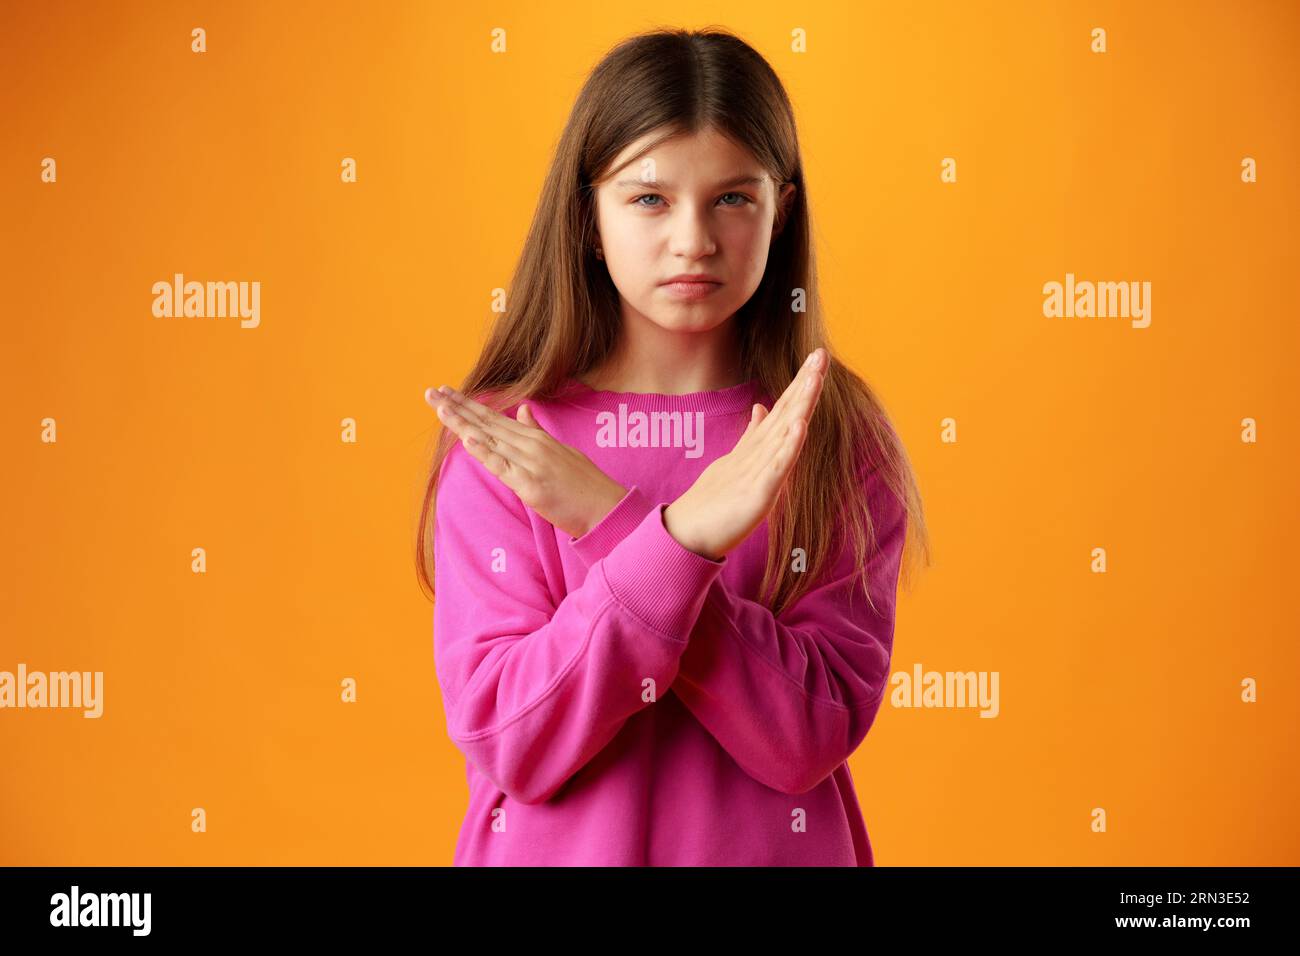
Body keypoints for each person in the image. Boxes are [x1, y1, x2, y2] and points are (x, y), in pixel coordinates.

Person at [414, 27, 930, 866]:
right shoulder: (510, 440)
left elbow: (808, 738)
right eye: (649, 199)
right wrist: (680, 541)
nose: (693, 238)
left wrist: (619, 528)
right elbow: (515, 740)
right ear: (589, 215)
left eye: (733, 198)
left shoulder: (831, 434)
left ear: (781, 209)